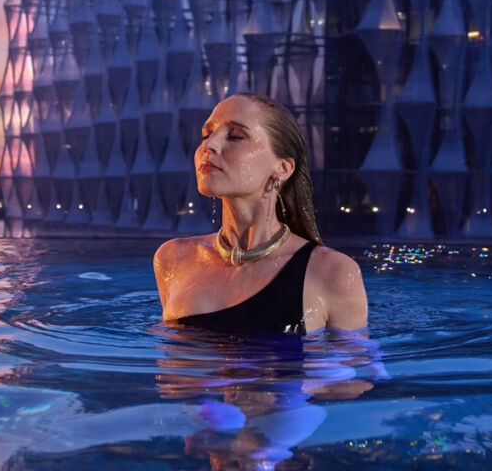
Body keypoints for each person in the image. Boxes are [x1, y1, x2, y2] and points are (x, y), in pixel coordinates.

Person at [154, 92, 368, 334]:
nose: (208, 145)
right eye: (206, 134)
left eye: (235, 136)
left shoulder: (333, 273)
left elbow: (357, 364)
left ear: (282, 168)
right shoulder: (173, 259)